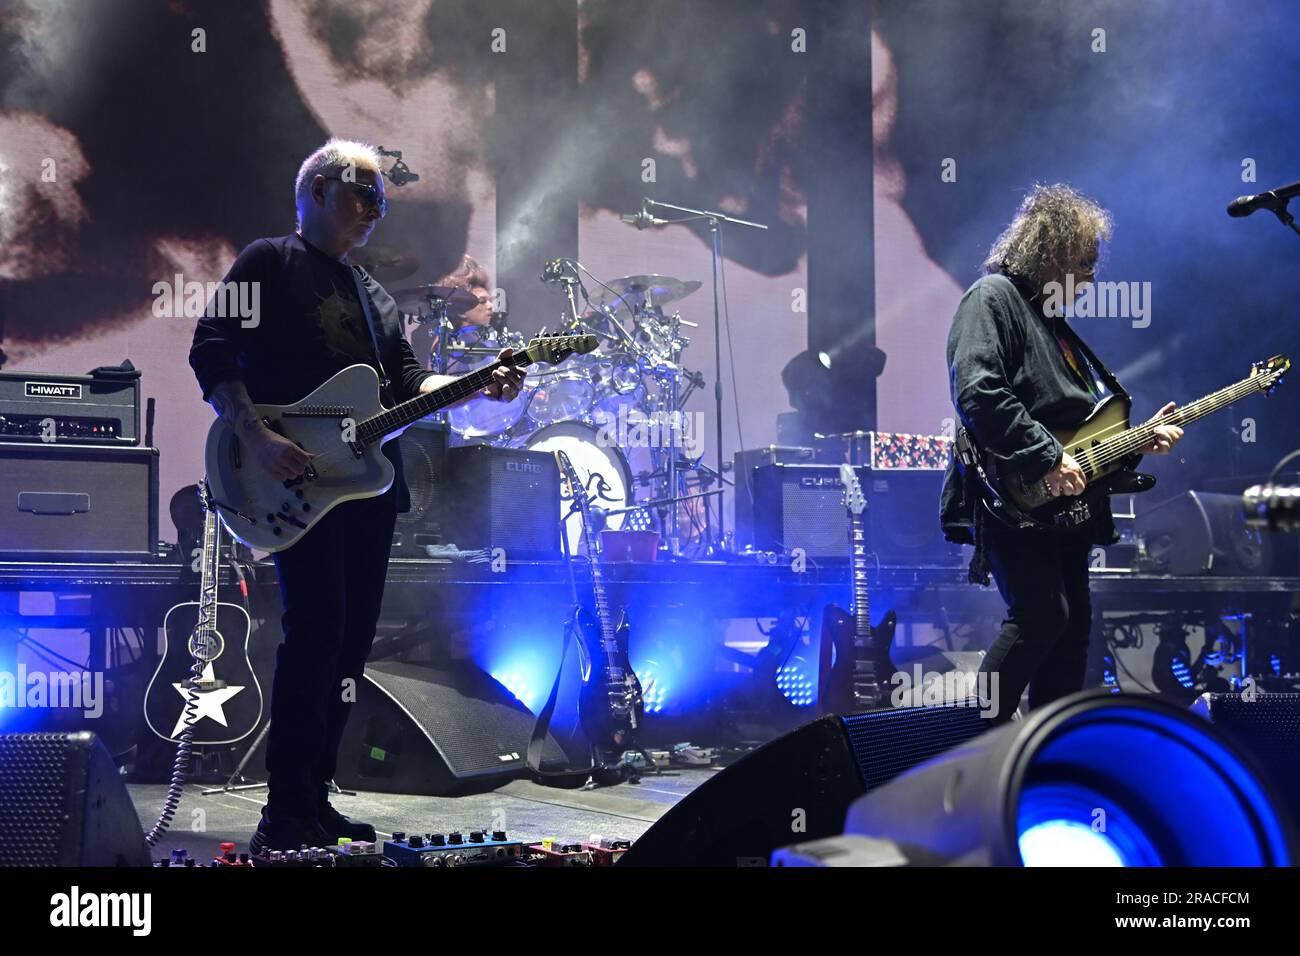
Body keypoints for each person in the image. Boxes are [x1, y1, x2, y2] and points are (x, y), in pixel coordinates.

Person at [188, 139, 524, 856]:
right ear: (315, 188)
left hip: (367, 488)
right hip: (293, 481)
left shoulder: (372, 293)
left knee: (347, 646)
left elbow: (409, 386)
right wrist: (258, 436)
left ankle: (315, 798)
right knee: (315, 634)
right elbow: (210, 347)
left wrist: (476, 383)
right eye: (364, 191)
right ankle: (282, 812)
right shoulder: (268, 262)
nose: (377, 207)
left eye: (383, 197)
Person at [940, 184, 1183, 723]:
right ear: (1052, 252)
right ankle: (972, 742)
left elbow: (1080, 437)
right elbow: (978, 390)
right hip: (1013, 493)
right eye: (1086, 261)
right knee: (1041, 616)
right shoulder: (991, 298)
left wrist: (1139, 442)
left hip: (1065, 508)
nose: (1093, 276)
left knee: (1071, 630)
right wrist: (1046, 457)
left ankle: (1047, 754)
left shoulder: (1055, 328)